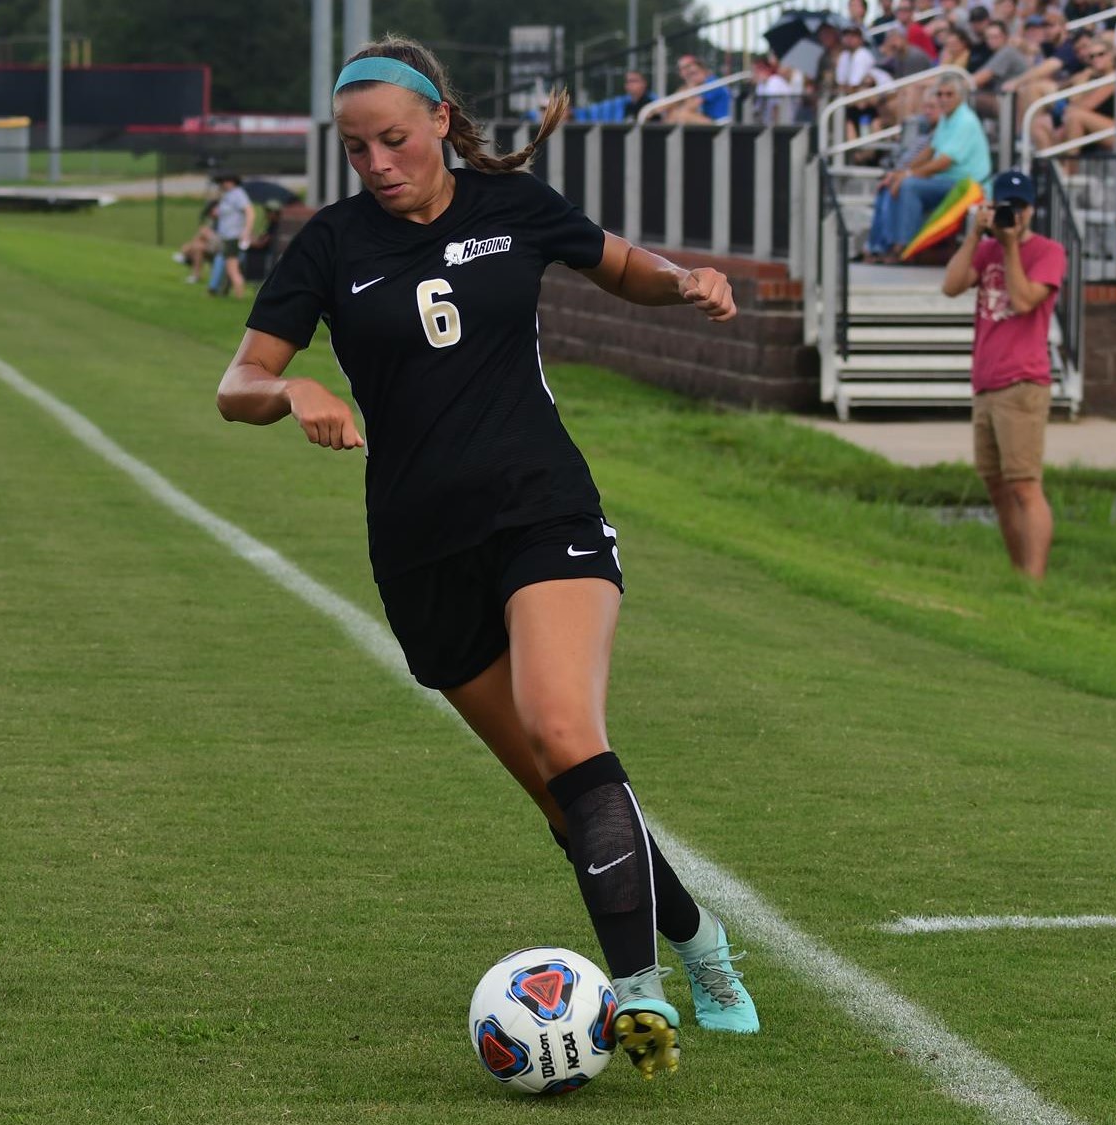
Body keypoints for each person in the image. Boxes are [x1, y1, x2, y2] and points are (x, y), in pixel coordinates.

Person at [215, 35, 761, 1081]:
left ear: (438, 124)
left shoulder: (510, 208)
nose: (376, 163)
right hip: (419, 553)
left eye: (393, 139)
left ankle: (636, 993)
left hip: (539, 511)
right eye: (355, 147)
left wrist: (683, 277)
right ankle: (704, 946)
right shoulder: (329, 244)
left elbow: (621, 267)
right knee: (562, 793)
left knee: (567, 729)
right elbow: (237, 379)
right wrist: (294, 390)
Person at [941, 169, 1063, 580]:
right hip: (987, 382)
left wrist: (1010, 246)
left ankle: (1035, 582)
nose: (1015, 214)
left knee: (1025, 485)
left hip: (1023, 382)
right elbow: (952, 286)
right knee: (996, 486)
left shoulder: (1049, 252)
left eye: (1021, 207)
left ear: (1032, 209)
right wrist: (975, 235)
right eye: (1005, 206)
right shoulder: (986, 248)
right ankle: (1018, 575)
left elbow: (1026, 300)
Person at [866, 74, 992, 262]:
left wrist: (907, 175)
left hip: (967, 186)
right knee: (891, 183)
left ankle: (905, 247)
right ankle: (879, 246)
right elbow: (929, 151)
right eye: (940, 94)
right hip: (946, 181)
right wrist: (899, 173)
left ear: (960, 97)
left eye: (949, 95)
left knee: (909, 185)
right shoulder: (947, 118)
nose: (943, 99)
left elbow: (944, 162)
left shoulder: (965, 120)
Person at [210, 172, 257, 298]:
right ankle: (224, 292)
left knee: (232, 269)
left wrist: (246, 231)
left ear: (231, 181)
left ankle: (239, 296)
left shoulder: (238, 194)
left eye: (223, 181)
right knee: (229, 267)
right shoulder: (228, 195)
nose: (221, 184)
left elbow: (250, 212)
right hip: (227, 237)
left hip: (233, 237)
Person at [652, 54, 734, 123]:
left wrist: (691, 87)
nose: (691, 76)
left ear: (703, 69)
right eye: (689, 74)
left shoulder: (712, 84)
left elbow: (689, 107)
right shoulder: (702, 84)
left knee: (681, 115)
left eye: (694, 73)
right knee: (674, 112)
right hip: (712, 120)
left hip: (720, 122)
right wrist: (655, 110)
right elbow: (674, 100)